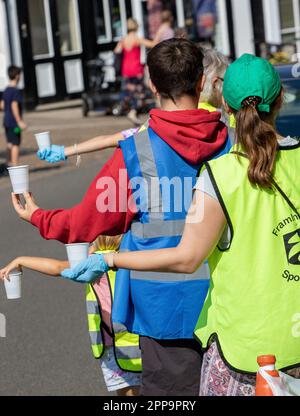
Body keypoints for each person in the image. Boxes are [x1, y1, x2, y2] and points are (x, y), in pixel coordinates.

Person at [60, 54, 300, 396]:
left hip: (242, 348)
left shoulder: (220, 174)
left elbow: (187, 258)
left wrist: (108, 259)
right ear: (280, 99)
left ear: (225, 106)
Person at [12, 38, 230, 396]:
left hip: (163, 310)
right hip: (227, 302)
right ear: (202, 81)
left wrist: (38, 216)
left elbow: (84, 223)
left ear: (152, 85)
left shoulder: (138, 151)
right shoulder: (232, 142)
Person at [0, 234, 141, 396]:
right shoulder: (134, 258)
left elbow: (59, 267)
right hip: (139, 341)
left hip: (114, 345)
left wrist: (21, 260)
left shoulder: (96, 262)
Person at [114, 18, 153, 126]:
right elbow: (152, 44)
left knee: (130, 93)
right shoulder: (137, 39)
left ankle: (133, 112)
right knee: (141, 93)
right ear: (136, 27)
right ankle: (133, 112)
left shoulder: (123, 40)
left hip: (126, 70)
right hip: (136, 69)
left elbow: (116, 51)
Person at [0, 66, 26, 167]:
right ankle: (15, 166)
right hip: (14, 123)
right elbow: (14, 105)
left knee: (10, 143)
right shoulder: (15, 91)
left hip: (6, 121)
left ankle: (8, 164)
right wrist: (19, 121)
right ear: (16, 76)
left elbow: (2, 105)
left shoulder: (6, 90)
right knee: (16, 144)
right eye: (19, 75)